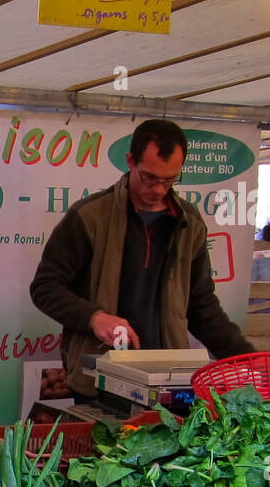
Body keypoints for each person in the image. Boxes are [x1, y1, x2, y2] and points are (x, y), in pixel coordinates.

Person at [30, 118, 254, 397]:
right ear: (130, 162)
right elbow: (45, 287)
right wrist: (94, 318)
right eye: (149, 177)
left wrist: (247, 359)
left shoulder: (190, 223)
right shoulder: (89, 217)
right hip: (99, 378)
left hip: (167, 380)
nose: (158, 189)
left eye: (169, 179)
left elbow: (202, 307)